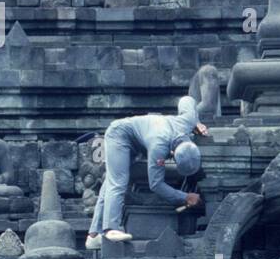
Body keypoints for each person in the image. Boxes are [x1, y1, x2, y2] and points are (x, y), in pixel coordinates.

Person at [85, 96, 207, 249]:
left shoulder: (188, 122)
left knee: (111, 181)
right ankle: (111, 229)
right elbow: (155, 184)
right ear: (173, 154)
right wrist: (185, 197)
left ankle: (94, 235)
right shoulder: (159, 146)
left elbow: (187, 100)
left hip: (138, 140)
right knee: (119, 181)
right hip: (119, 135)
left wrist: (196, 121)